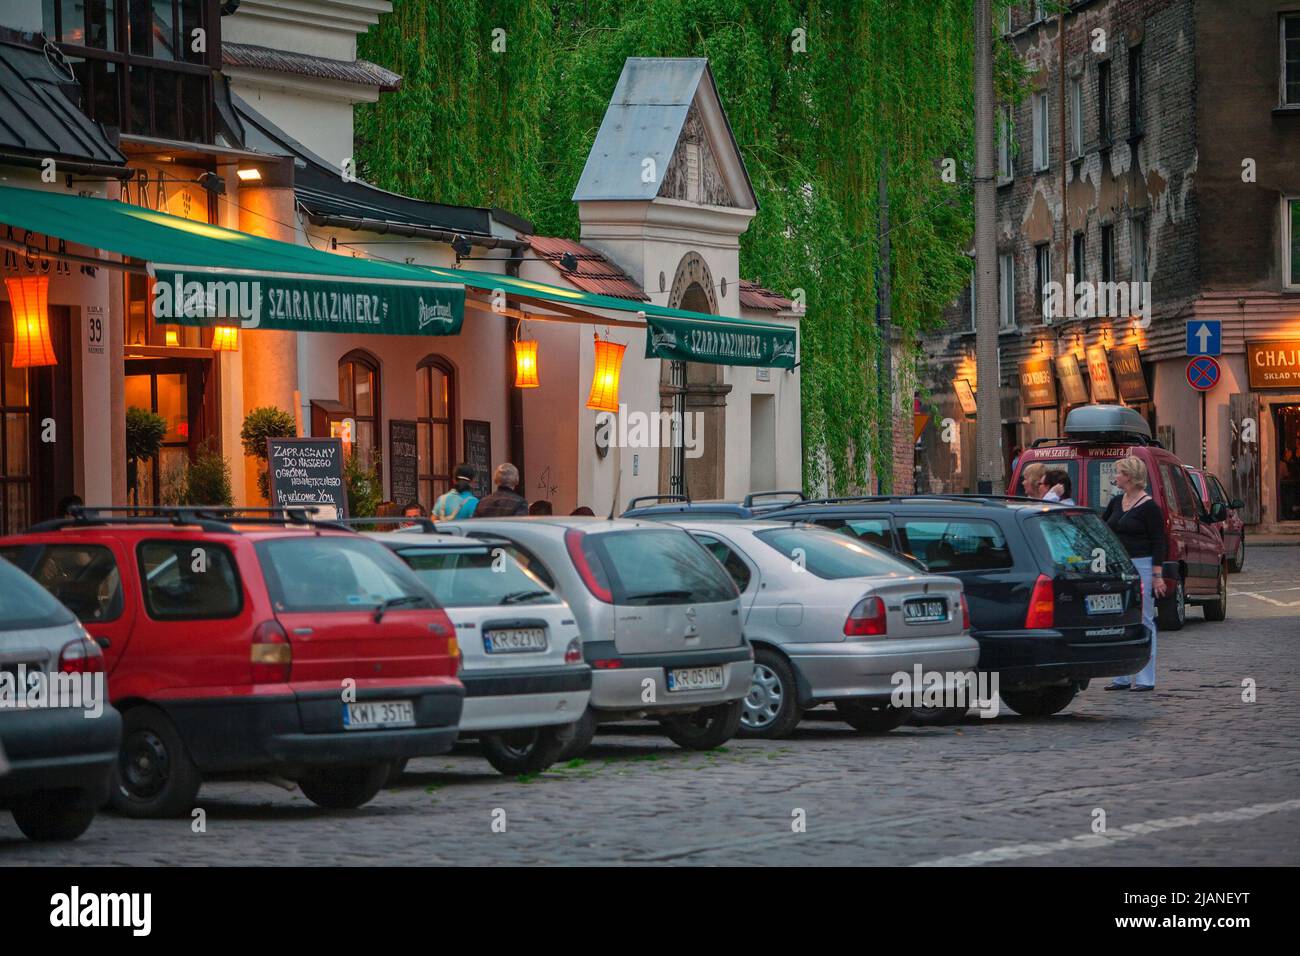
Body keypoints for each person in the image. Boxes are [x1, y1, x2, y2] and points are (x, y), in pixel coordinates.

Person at [1101, 456, 1167, 692]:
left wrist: (1157, 575)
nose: (1115, 477)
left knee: (1144, 619)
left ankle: (1145, 677)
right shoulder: (1117, 502)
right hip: (1118, 568)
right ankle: (1121, 676)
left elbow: (1159, 542)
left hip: (1143, 566)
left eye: (1118, 472)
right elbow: (1103, 528)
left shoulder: (1150, 508)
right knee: (1118, 619)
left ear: (1128, 476)